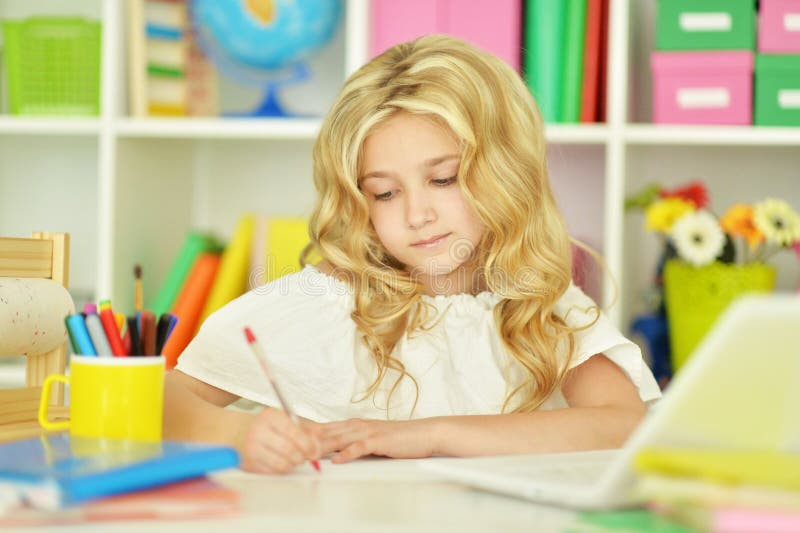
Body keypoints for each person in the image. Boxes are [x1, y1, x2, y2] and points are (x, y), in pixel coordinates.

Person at [163, 34, 661, 474]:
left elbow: (621, 424)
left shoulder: (540, 304)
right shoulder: (323, 301)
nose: (416, 214)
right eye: (384, 193)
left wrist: (430, 435)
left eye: (443, 179)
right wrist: (237, 436)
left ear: (505, 172)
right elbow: (162, 397)